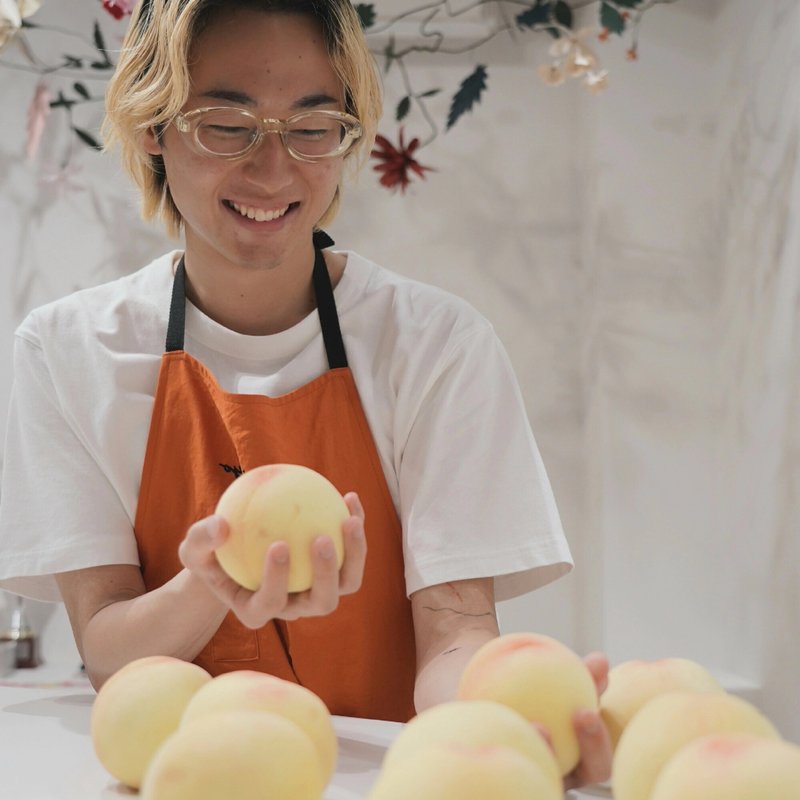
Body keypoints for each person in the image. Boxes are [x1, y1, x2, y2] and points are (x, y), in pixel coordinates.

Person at [0, 0, 611, 787]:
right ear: (153, 127)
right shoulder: (68, 351)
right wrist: (207, 585)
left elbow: (455, 630)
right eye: (228, 123)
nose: (274, 168)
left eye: (312, 128)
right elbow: (108, 650)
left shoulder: (435, 345)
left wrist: (508, 722)